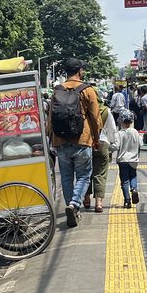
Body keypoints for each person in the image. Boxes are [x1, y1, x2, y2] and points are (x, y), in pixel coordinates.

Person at [48, 57, 101, 227]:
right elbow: (95, 118)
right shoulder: (87, 90)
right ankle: (74, 204)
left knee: (66, 177)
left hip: (60, 141)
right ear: (80, 71)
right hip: (82, 140)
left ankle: (71, 206)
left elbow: (50, 119)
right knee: (84, 176)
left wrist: (51, 139)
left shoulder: (56, 90)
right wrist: (96, 138)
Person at [84, 95, 117, 213]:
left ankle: (86, 199)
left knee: (86, 172)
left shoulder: (84, 108)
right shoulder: (106, 110)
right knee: (101, 173)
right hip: (102, 142)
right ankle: (98, 203)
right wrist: (111, 142)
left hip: (86, 143)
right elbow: (112, 129)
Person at [115, 111, 141, 208]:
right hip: (134, 160)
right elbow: (141, 144)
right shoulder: (135, 132)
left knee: (125, 181)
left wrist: (109, 148)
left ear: (121, 121)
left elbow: (116, 146)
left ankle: (127, 201)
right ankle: (134, 189)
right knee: (133, 176)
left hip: (123, 160)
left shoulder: (119, 133)